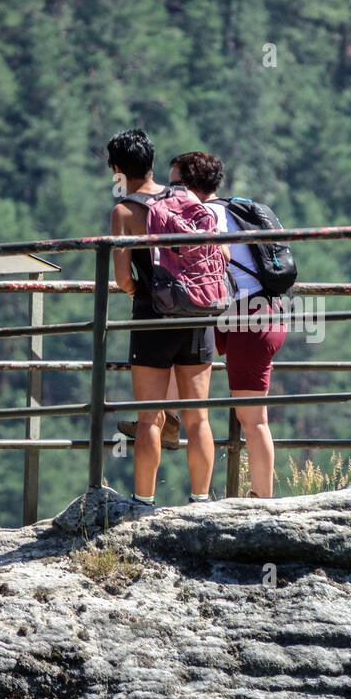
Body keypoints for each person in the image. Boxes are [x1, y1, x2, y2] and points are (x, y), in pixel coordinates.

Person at [106, 129, 221, 507]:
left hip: (153, 317)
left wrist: (141, 293)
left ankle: (143, 503)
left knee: (149, 419)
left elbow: (123, 278)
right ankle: (201, 500)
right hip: (199, 311)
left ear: (118, 169)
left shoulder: (125, 212)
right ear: (153, 163)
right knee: (198, 417)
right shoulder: (184, 197)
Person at [170, 152, 287, 498]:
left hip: (247, 319)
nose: (168, 192)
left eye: (174, 184)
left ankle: (264, 501)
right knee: (182, 349)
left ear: (190, 186)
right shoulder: (233, 210)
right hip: (261, 313)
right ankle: (164, 415)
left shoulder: (204, 217)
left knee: (253, 420)